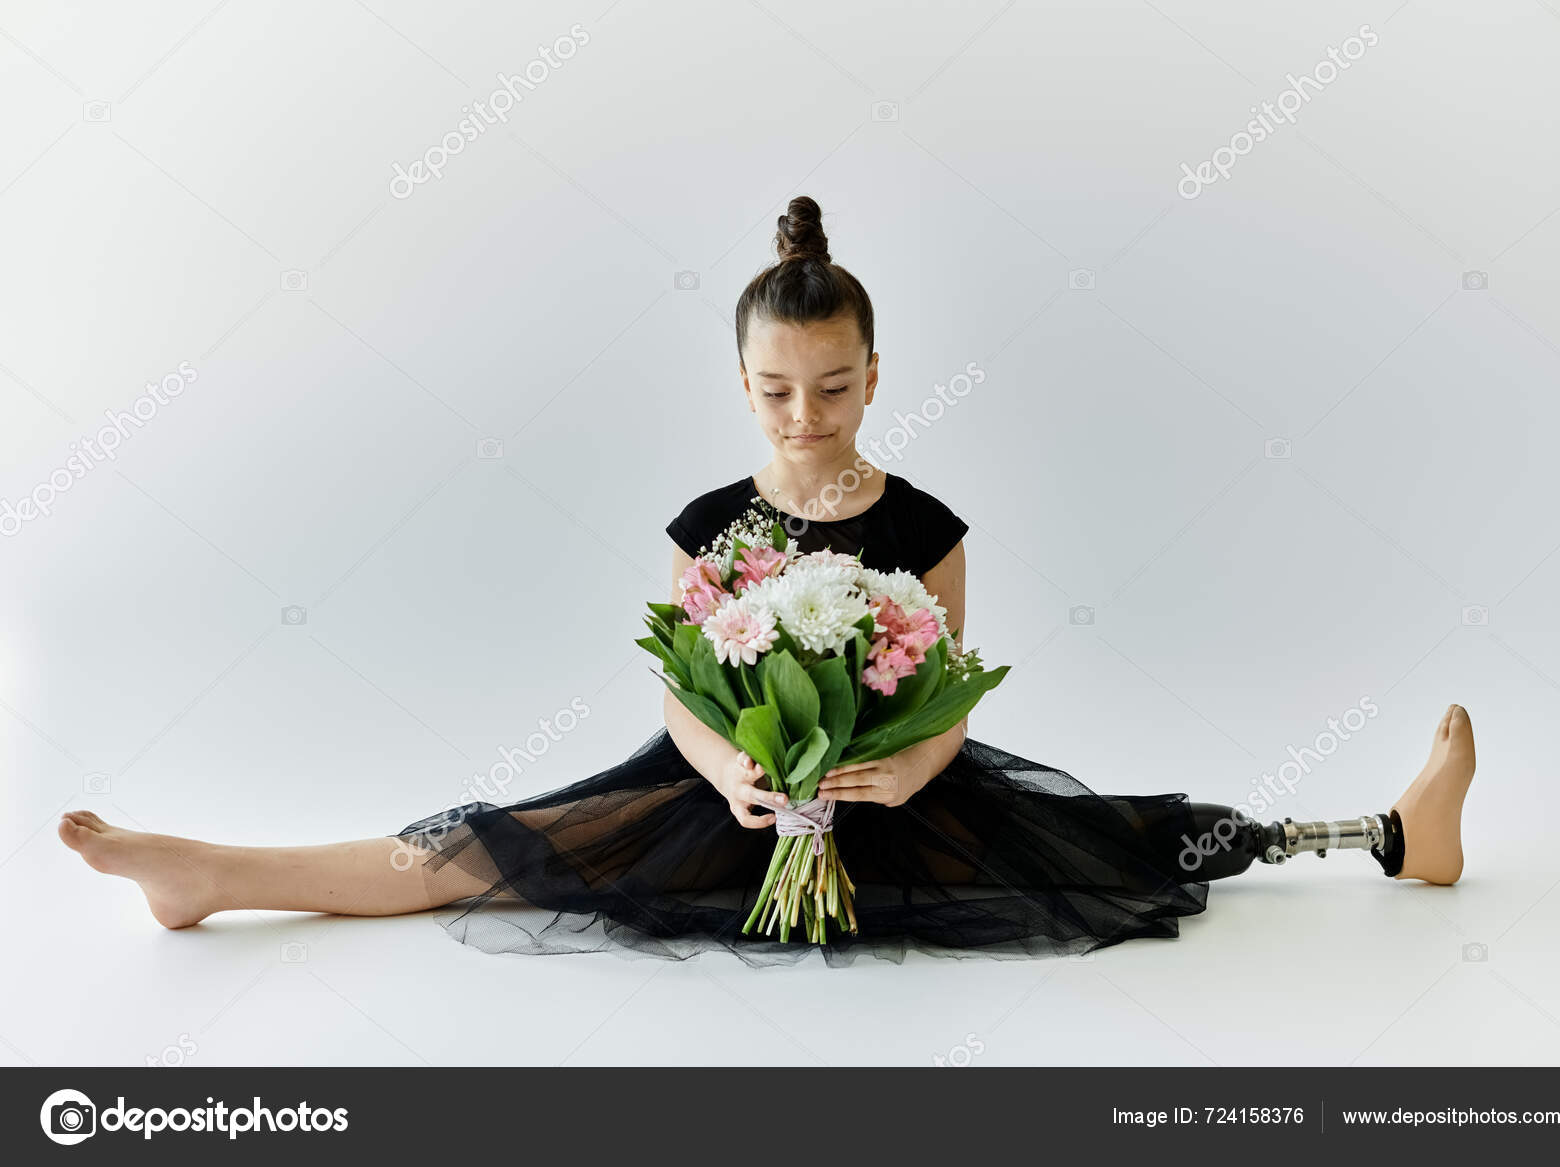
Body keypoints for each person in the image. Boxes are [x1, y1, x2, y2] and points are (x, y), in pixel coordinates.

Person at [57, 196, 1477, 969]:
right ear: (743, 382)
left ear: (876, 375)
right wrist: (732, 771)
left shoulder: (924, 522)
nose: (808, 415)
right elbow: (682, 695)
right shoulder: (707, 525)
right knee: (488, 856)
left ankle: (1395, 836)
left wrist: (907, 772)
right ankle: (215, 874)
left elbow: (950, 699)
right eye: (779, 390)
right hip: (725, 807)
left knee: (1114, 845)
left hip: (894, 809)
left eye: (836, 386)